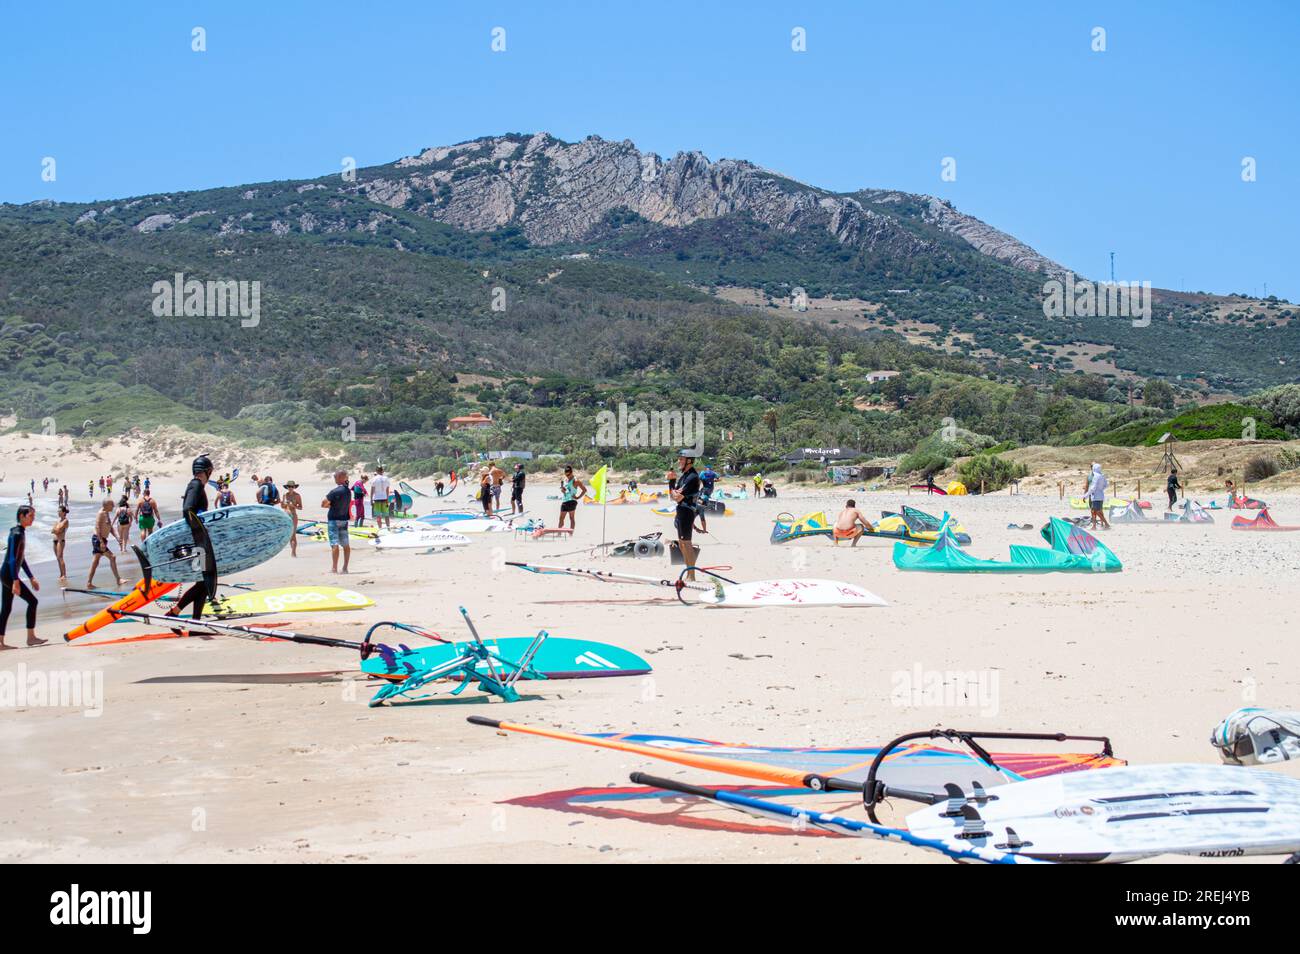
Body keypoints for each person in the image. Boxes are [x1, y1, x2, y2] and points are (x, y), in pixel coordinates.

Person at [164, 455, 218, 623]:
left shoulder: (196, 485)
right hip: (198, 540)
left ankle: (195, 623)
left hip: (198, 539)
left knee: (203, 582)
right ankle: (174, 613)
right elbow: (188, 509)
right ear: (207, 471)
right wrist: (200, 526)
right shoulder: (196, 485)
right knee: (203, 582)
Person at [1, 506, 45, 648]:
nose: (33, 518)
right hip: (8, 574)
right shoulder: (16, 534)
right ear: (22, 516)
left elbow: (21, 558)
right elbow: (13, 558)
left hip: (7, 573)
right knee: (33, 601)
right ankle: (31, 638)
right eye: (31, 516)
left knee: (6, 607)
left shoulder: (20, 532)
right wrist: (15, 580)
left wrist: (31, 577)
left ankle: (0, 642)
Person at [670, 452, 702, 579]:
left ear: (689, 461)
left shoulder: (692, 477)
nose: (679, 461)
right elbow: (672, 496)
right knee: (682, 544)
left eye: (681, 459)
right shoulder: (684, 476)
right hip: (681, 511)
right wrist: (671, 482)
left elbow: (677, 497)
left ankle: (692, 575)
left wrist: (675, 493)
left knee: (687, 544)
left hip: (687, 511)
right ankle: (688, 573)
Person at [87, 500, 126, 588]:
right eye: (112, 504)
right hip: (98, 539)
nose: (113, 506)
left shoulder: (106, 513)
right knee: (112, 557)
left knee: (95, 562)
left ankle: (89, 583)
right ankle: (118, 579)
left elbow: (110, 527)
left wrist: (117, 537)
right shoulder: (101, 513)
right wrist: (101, 542)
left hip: (101, 539)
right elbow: (97, 527)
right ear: (106, 505)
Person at [322, 470, 352, 573]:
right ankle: (345, 568)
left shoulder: (335, 491)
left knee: (334, 544)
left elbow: (323, 503)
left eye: (335, 477)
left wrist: (331, 506)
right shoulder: (348, 491)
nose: (334, 479)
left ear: (340, 478)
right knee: (346, 545)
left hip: (334, 520)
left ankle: (334, 568)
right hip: (344, 520)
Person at [557, 465, 586, 530]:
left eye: (568, 474)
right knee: (561, 519)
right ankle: (559, 533)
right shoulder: (565, 480)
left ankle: (571, 534)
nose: (567, 476)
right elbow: (565, 492)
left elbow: (584, 490)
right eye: (566, 474)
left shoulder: (576, 481)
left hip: (572, 501)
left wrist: (578, 497)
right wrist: (563, 490)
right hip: (565, 500)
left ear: (572, 472)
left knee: (571, 518)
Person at [281, 480, 303, 556]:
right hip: (285, 516)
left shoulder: (297, 495)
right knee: (288, 534)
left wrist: (293, 506)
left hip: (293, 516)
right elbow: (283, 507)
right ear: (287, 487)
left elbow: (300, 507)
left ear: (294, 487)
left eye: (292, 486)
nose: (290, 488)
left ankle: (293, 552)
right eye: (289, 486)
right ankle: (289, 551)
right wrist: (283, 503)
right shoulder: (285, 495)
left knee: (293, 534)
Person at [1087, 463, 1110, 530]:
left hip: (1095, 496)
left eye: (1092, 466)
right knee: (1093, 510)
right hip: (1097, 495)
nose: (1091, 468)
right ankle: (1094, 526)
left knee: (1097, 511)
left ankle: (1106, 524)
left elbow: (1092, 487)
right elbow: (1105, 485)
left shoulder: (1096, 476)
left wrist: (1086, 494)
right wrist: (1100, 489)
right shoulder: (1098, 475)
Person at [52, 505, 69, 584]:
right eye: (58, 511)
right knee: (57, 558)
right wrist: (56, 530)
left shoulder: (65, 521)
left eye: (60, 511)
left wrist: (56, 530)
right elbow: (53, 530)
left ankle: (64, 574)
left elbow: (58, 530)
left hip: (60, 541)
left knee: (60, 557)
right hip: (55, 540)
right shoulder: (57, 521)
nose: (58, 513)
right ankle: (61, 573)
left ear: (64, 512)